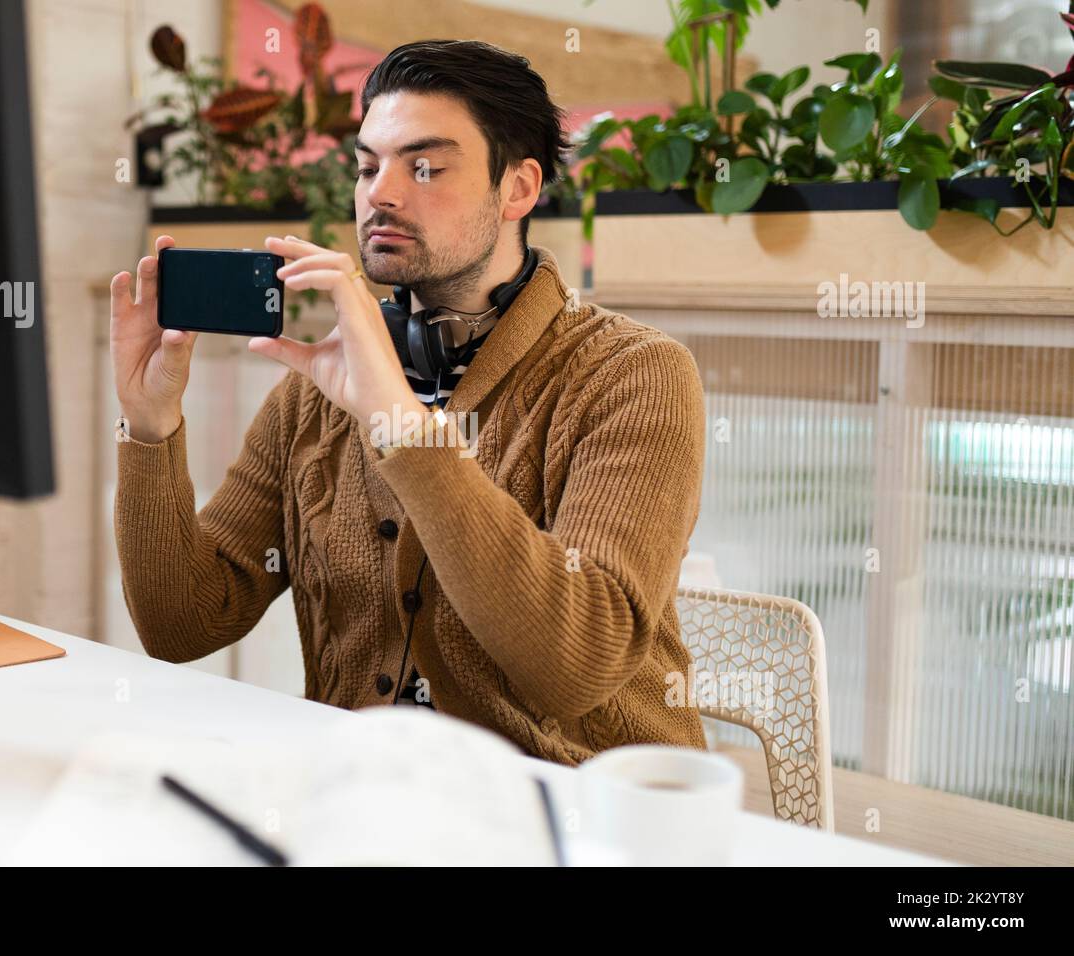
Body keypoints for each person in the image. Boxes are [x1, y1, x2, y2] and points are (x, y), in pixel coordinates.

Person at [108, 39, 707, 765]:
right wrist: (150, 425)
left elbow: (576, 665)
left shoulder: (635, 376)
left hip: (579, 817)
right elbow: (184, 624)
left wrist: (399, 423)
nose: (379, 193)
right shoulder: (321, 392)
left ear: (517, 189)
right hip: (368, 805)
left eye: (423, 165)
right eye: (367, 166)